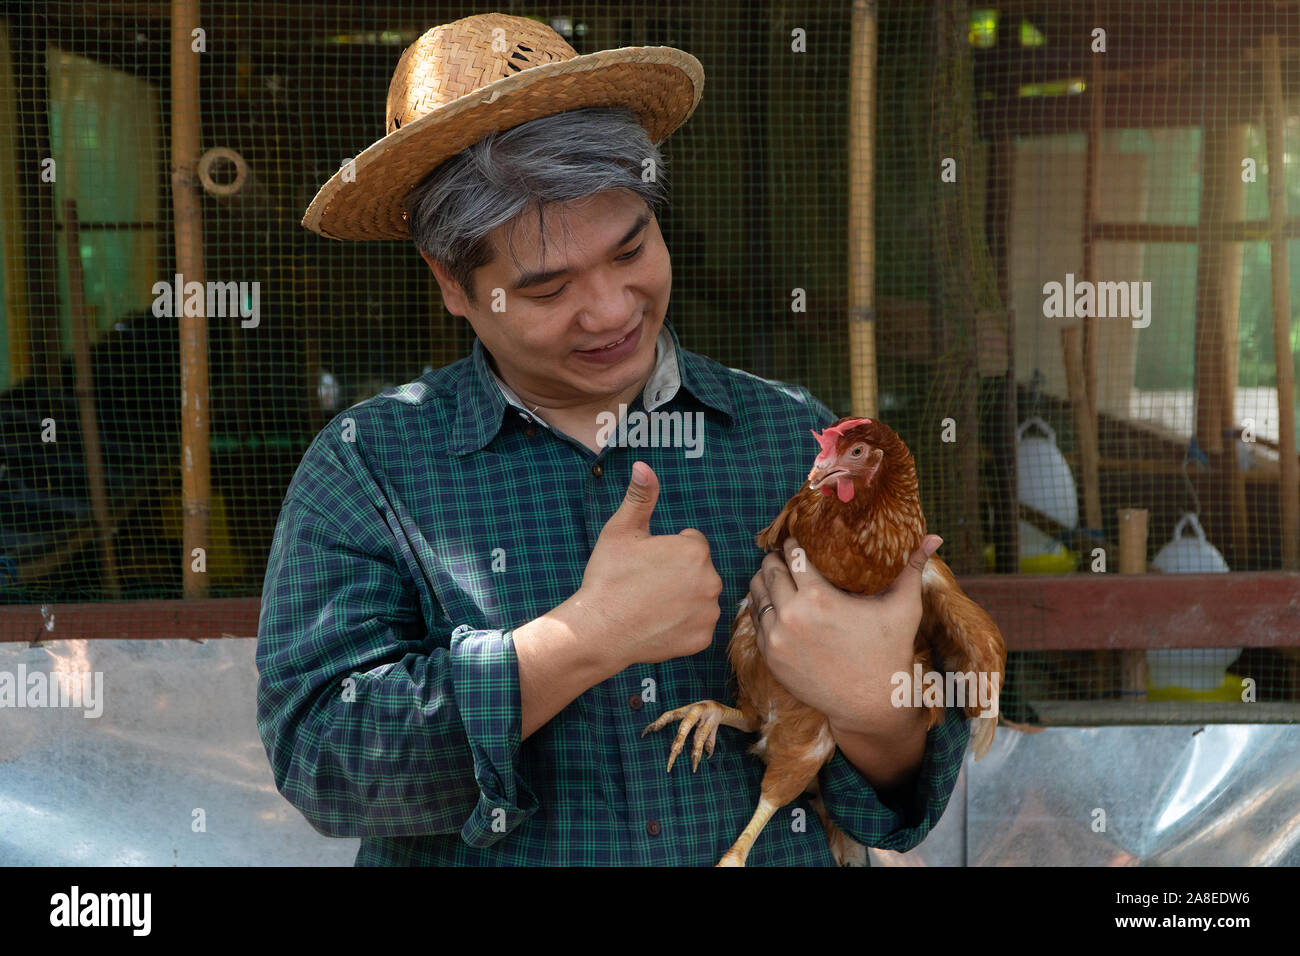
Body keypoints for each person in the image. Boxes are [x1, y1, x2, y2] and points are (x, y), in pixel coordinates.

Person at [257, 12, 969, 866]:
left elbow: (899, 803)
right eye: (549, 287)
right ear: (453, 284)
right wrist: (578, 641)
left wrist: (874, 705)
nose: (611, 310)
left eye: (631, 248)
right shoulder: (372, 467)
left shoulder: (789, 441)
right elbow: (321, 763)